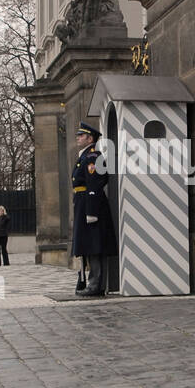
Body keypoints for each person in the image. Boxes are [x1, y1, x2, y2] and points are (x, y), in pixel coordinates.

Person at [72, 122, 116, 297]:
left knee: (95, 246)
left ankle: (96, 284)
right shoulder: (85, 157)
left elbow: (94, 184)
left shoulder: (92, 157)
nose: (78, 138)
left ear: (90, 138)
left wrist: (91, 211)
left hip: (90, 204)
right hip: (83, 203)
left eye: (81, 135)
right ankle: (89, 282)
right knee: (88, 245)